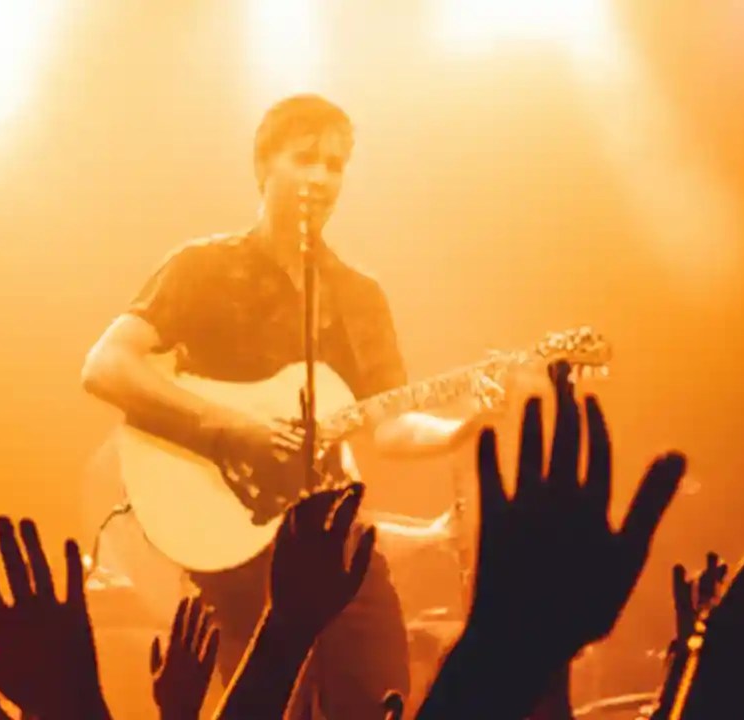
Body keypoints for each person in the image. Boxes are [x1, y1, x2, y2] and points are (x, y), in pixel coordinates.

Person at [81, 94, 473, 718]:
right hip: (232, 543)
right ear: (264, 165)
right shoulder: (202, 268)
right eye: (306, 159)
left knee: (382, 696)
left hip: (338, 539)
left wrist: (464, 424)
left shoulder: (358, 295)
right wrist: (229, 432)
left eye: (336, 165)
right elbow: (106, 366)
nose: (322, 177)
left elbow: (390, 424)